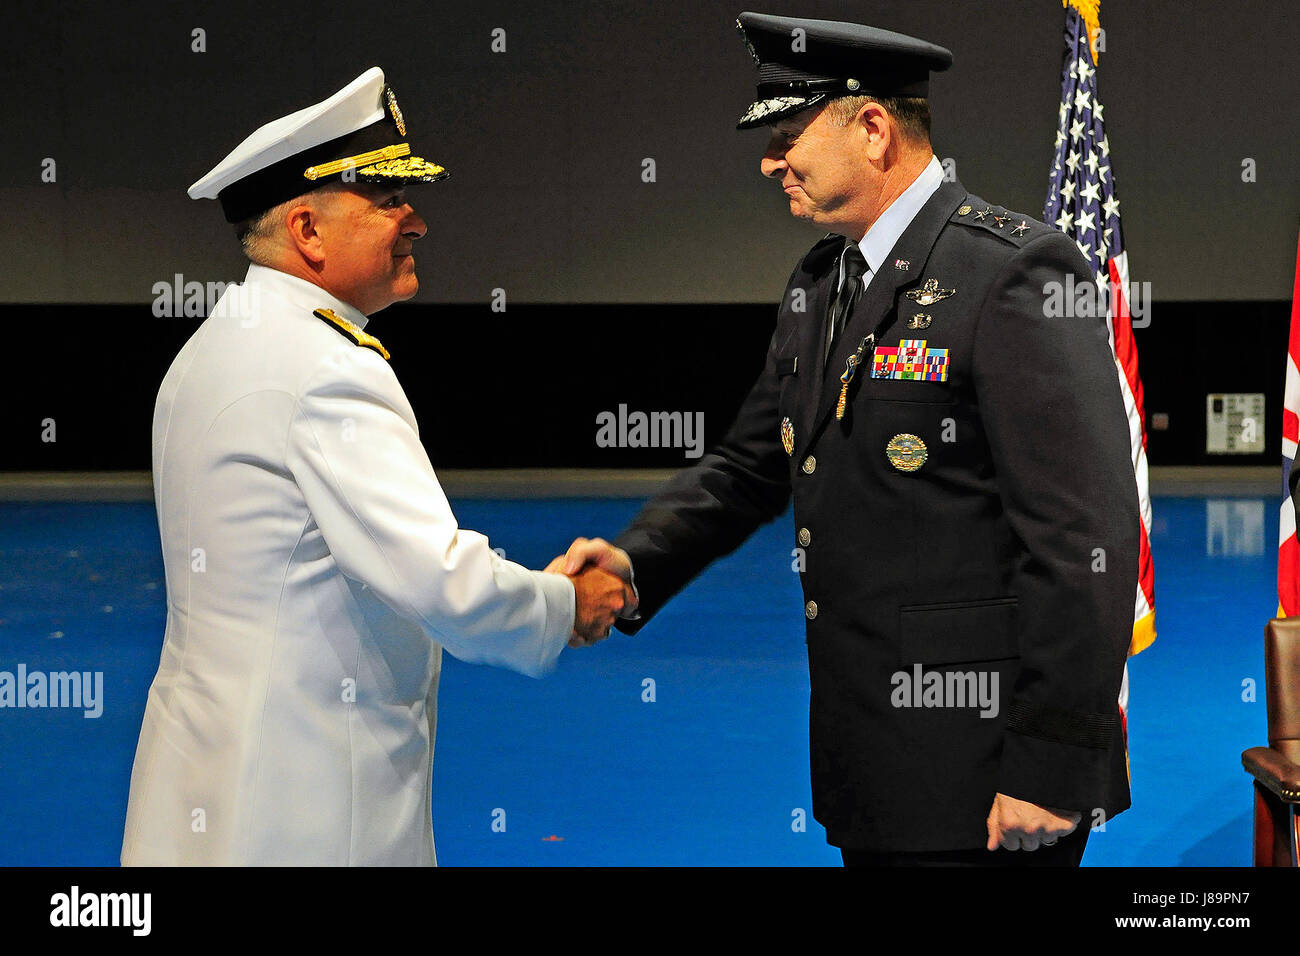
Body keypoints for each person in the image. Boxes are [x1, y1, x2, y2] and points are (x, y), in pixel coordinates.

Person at [557, 13, 1139, 866]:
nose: (768, 161)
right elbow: (751, 465)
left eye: (788, 134)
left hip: (987, 772)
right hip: (867, 756)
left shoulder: (1012, 273)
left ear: (873, 128)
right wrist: (633, 563)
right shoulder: (822, 280)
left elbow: (1084, 538)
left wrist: (1053, 764)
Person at [121, 67, 632, 866]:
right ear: (308, 230)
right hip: (310, 802)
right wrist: (563, 604)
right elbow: (438, 582)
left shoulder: (213, 346)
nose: (416, 221)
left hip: (205, 777)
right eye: (388, 200)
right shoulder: (329, 366)